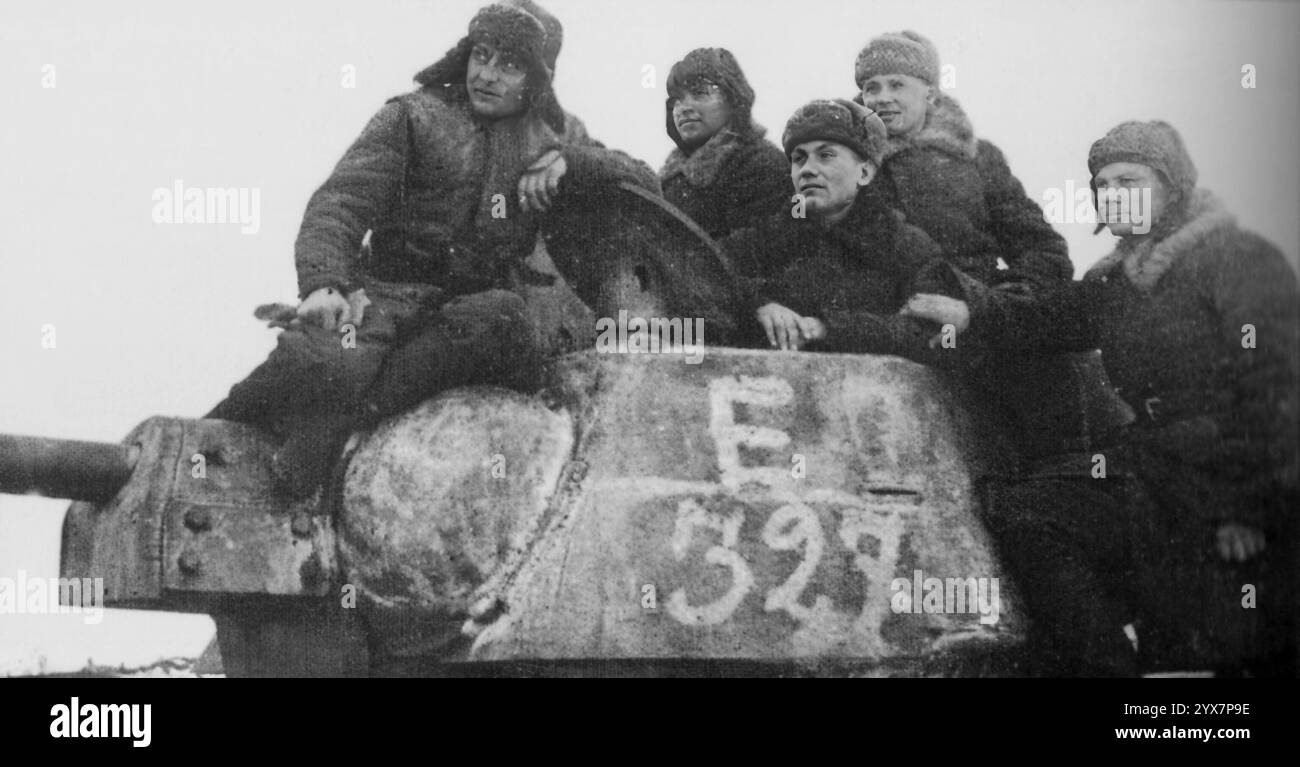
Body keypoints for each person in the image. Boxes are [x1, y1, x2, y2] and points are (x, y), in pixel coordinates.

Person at [208, 0, 658, 497]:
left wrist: (571, 161)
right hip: (386, 294)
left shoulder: (553, 138)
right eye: (481, 55)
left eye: (510, 65)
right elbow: (341, 204)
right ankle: (213, 437)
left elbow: (642, 182)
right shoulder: (413, 117)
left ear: (536, 81)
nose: (487, 75)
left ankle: (344, 421)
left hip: (467, 313)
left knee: (504, 322)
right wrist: (325, 283)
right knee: (326, 362)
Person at [904, 120, 1300, 675]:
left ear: (1172, 188)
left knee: (1237, 650)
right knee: (1030, 511)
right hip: (1154, 466)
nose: (1113, 196)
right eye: (1102, 186)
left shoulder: (1238, 259)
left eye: (1129, 182)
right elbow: (1048, 318)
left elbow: (1278, 389)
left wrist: (1248, 506)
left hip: (1236, 479)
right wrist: (972, 311)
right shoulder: (1117, 281)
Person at [720, 99, 953, 357]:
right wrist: (759, 306)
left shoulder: (906, 246)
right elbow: (703, 278)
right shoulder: (766, 237)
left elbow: (937, 333)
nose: (808, 170)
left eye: (826, 156)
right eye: (799, 159)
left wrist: (828, 330)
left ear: (864, 173)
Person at [853, 30, 1071, 288]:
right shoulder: (845, 160)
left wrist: (990, 303)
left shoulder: (978, 158)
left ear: (929, 94)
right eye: (872, 88)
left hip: (968, 303)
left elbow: (1044, 252)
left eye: (897, 84)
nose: (882, 98)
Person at [659, 48, 790, 240]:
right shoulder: (668, 177)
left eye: (699, 93)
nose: (683, 108)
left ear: (733, 98)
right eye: (677, 99)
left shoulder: (762, 164)